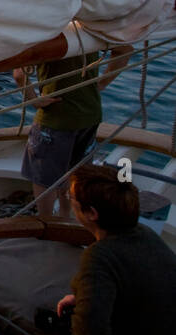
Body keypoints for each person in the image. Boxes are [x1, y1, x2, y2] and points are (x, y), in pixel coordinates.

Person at [55, 163, 176, 335]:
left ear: (91, 213)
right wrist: (82, 297)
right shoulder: (144, 234)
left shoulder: (100, 256)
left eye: (71, 198)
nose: (70, 201)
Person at [14, 44, 133, 218]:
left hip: (56, 118)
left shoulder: (48, 32)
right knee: (76, 173)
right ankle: (65, 214)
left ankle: (47, 222)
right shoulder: (90, 29)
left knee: (44, 179)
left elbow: (19, 74)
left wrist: (34, 100)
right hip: (90, 114)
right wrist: (102, 83)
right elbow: (125, 49)